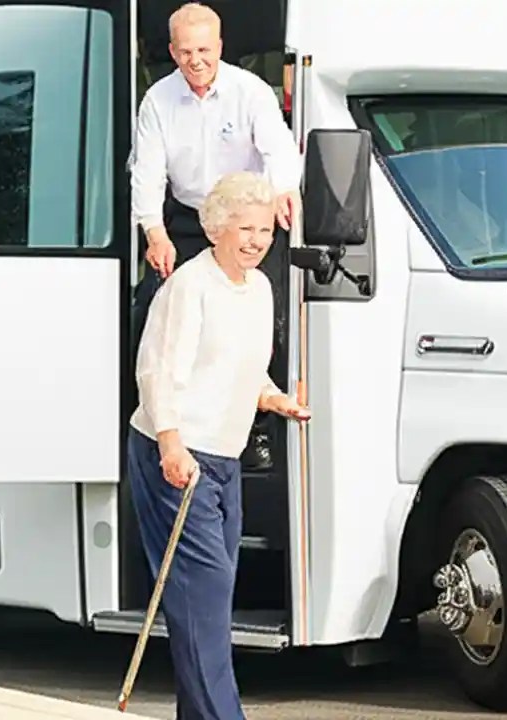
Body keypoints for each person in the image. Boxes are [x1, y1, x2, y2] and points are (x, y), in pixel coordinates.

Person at [128, 171, 310, 720]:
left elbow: (240, 369)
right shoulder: (190, 285)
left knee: (206, 599)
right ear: (215, 229)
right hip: (177, 456)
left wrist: (275, 399)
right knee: (203, 600)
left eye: (264, 231)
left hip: (223, 457)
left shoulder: (259, 288)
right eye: (244, 229)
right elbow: (159, 373)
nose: (256, 241)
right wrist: (171, 447)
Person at [128, 1, 304, 467]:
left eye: (204, 50)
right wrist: (154, 232)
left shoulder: (250, 91)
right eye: (185, 52)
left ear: (220, 47)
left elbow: (279, 148)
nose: (196, 61)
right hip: (187, 218)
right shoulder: (158, 101)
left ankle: (256, 432)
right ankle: (159, 428)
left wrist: (284, 189)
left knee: (266, 322)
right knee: (155, 308)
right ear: (172, 51)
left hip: (245, 215)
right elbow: (147, 174)